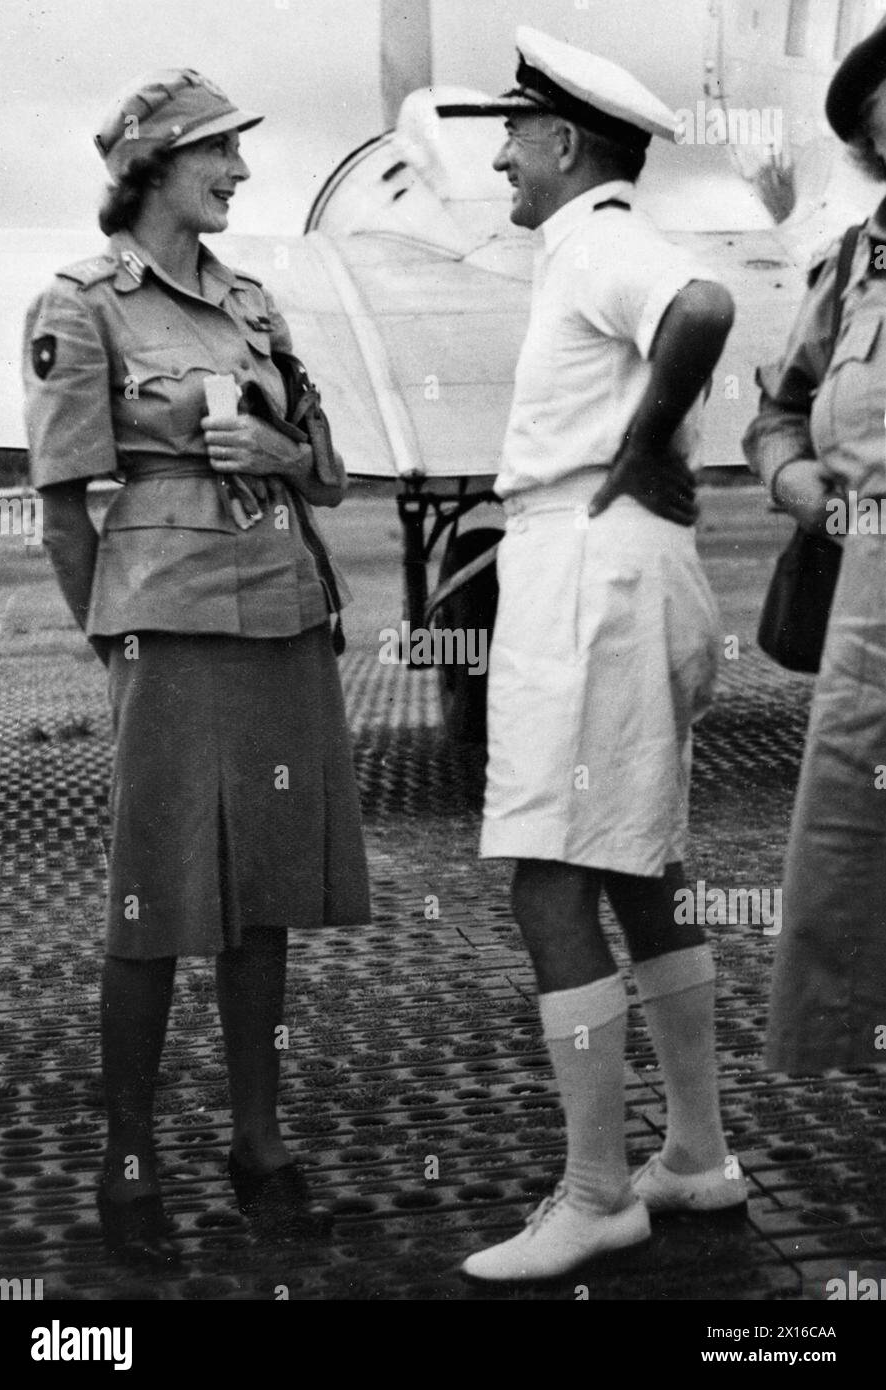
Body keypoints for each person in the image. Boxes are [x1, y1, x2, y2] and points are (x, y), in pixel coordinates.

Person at [22, 69, 370, 1268]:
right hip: (165, 634)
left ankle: (259, 1144)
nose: (240, 172)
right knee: (153, 901)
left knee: (261, 898)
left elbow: (326, 470)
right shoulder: (83, 306)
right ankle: (129, 1161)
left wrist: (274, 443)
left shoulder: (257, 304)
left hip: (280, 617)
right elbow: (64, 507)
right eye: (220, 153)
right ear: (156, 166)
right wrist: (109, 641)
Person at [460, 28, 741, 1284]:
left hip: (589, 570)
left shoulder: (598, 238)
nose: (502, 162)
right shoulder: (581, 246)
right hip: (617, 566)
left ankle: (593, 1193)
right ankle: (692, 1155)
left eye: (512, 138)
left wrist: (637, 445)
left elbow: (703, 304)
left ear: (564, 144)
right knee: (639, 869)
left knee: (544, 877)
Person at [744, 20, 886, 1074]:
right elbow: (777, 411)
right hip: (867, 629)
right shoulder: (849, 267)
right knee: (854, 870)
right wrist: (799, 488)